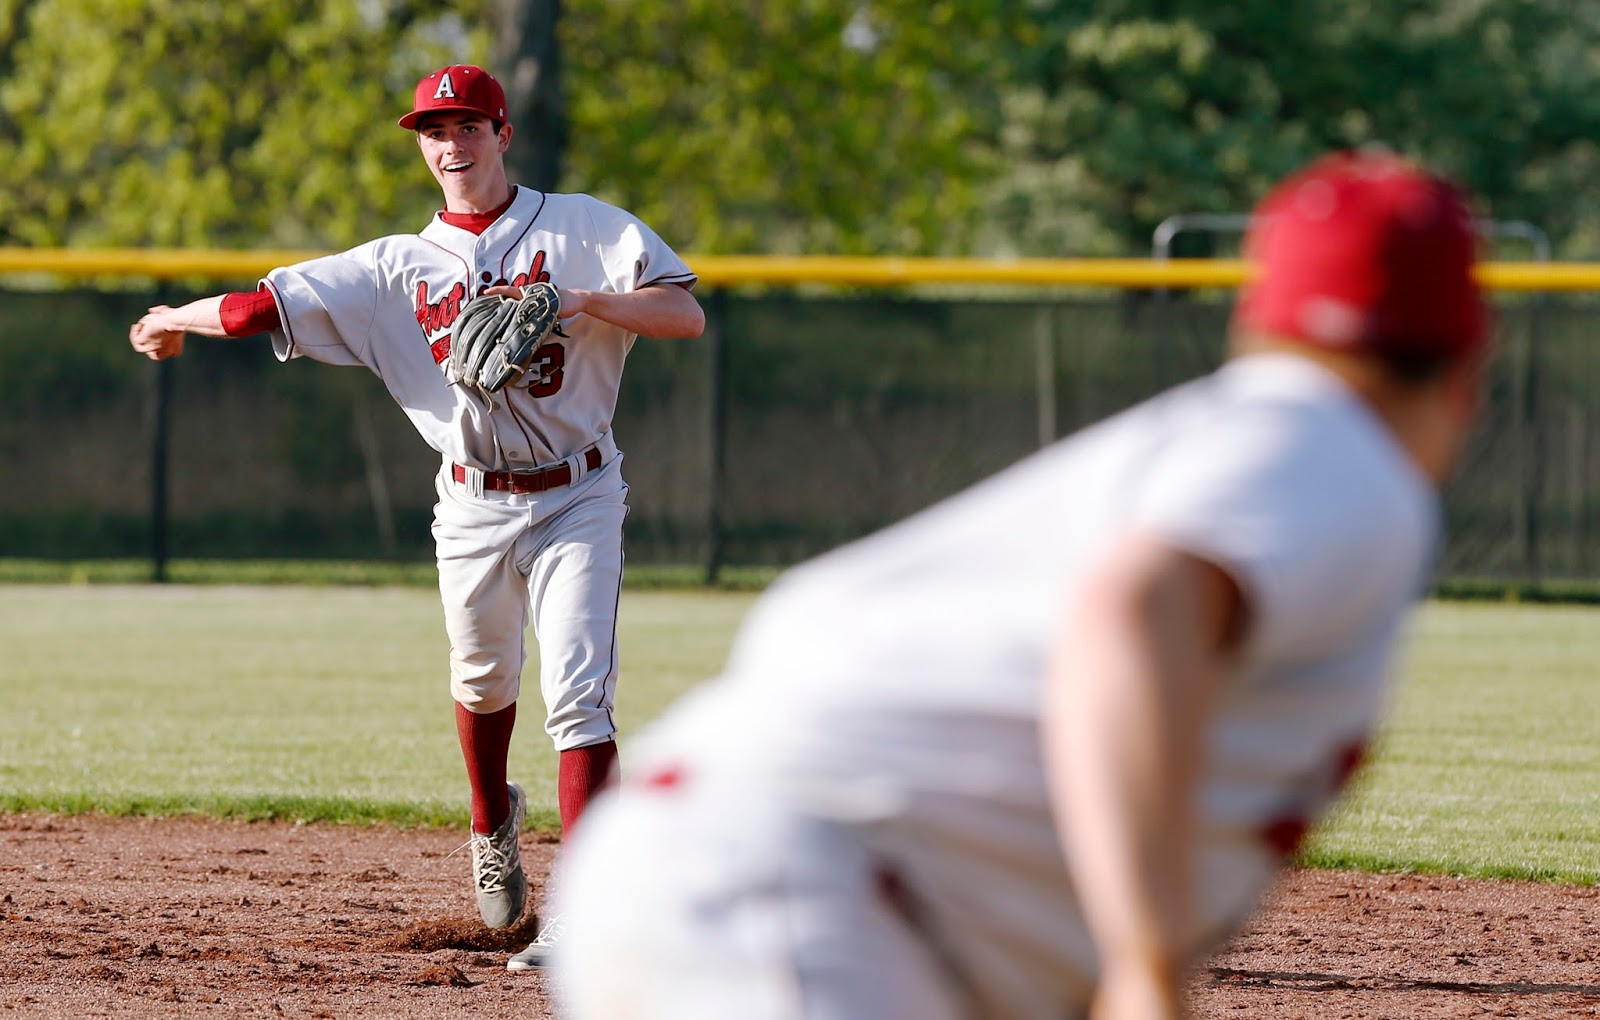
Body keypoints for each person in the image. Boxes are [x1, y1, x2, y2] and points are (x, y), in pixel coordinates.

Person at [546, 151, 1490, 1019]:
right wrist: (1148, 973)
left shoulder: (1250, 435)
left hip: (761, 886)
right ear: (1467, 370)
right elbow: (1136, 607)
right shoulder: (1341, 453)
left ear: (1256, 321)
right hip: (801, 901)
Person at [127, 64, 705, 971]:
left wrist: (587, 299)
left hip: (580, 493)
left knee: (581, 693)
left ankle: (587, 912)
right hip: (472, 503)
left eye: (468, 126)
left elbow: (683, 312)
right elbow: (257, 308)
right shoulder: (392, 267)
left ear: (502, 134)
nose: (450, 144)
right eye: (434, 131)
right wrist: (172, 317)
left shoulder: (587, 228)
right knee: (482, 682)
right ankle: (491, 818)